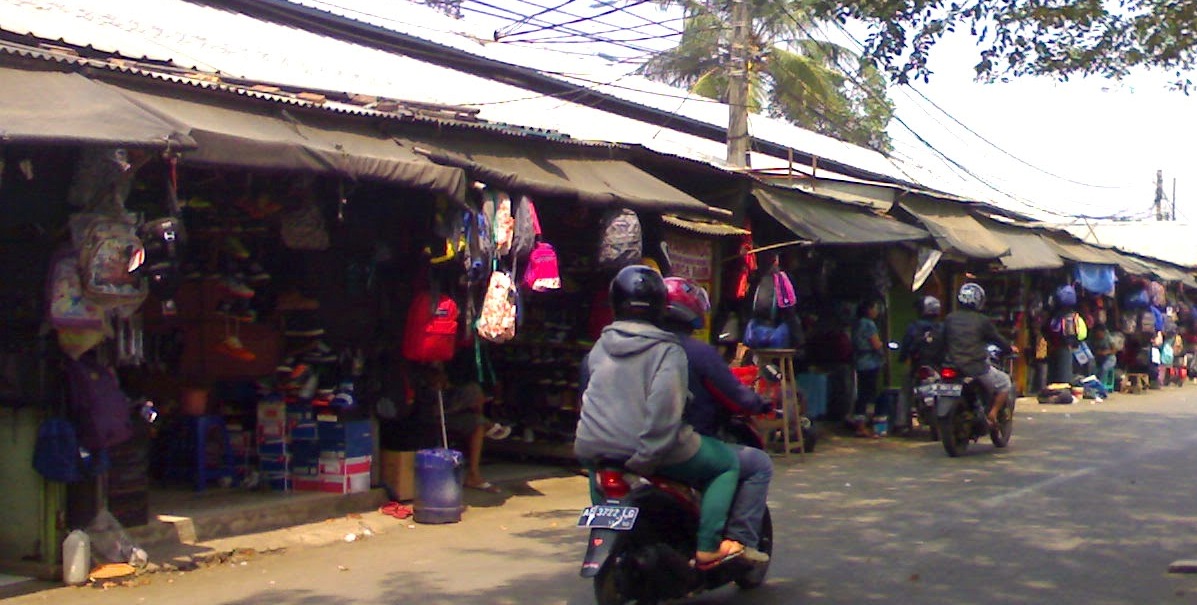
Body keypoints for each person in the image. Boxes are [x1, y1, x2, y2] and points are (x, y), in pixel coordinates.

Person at [575, 265, 744, 569]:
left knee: (598, 473)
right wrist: (644, 459)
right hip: (649, 451)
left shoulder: (598, 348)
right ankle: (707, 547)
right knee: (727, 464)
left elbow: (586, 398)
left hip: (594, 451)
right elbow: (664, 414)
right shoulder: (668, 350)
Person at [661, 276, 773, 563]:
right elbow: (735, 396)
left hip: (617, 444)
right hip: (680, 443)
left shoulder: (629, 348)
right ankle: (737, 542)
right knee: (756, 464)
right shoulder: (697, 352)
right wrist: (759, 403)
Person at [412, 360, 511, 493]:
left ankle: (473, 475)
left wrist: (445, 385)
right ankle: (491, 426)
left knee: (477, 419)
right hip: (429, 414)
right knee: (473, 395)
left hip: (446, 410)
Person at [943, 283, 1016, 428]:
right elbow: (997, 339)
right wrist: (1010, 349)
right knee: (1005, 382)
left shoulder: (950, 318)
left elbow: (942, 340)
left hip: (952, 366)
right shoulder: (983, 321)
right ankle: (993, 413)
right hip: (976, 368)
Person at [896, 295, 944, 432]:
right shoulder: (942, 327)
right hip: (937, 366)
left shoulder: (914, 327)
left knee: (905, 392)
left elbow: (906, 346)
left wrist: (902, 358)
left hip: (917, 365)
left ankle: (901, 423)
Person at [852, 299, 886, 436]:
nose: (876, 311)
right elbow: (876, 344)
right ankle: (864, 426)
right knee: (869, 394)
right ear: (868, 310)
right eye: (874, 307)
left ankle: (860, 424)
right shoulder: (869, 324)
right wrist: (882, 351)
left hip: (860, 362)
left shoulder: (857, 324)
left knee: (862, 394)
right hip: (870, 363)